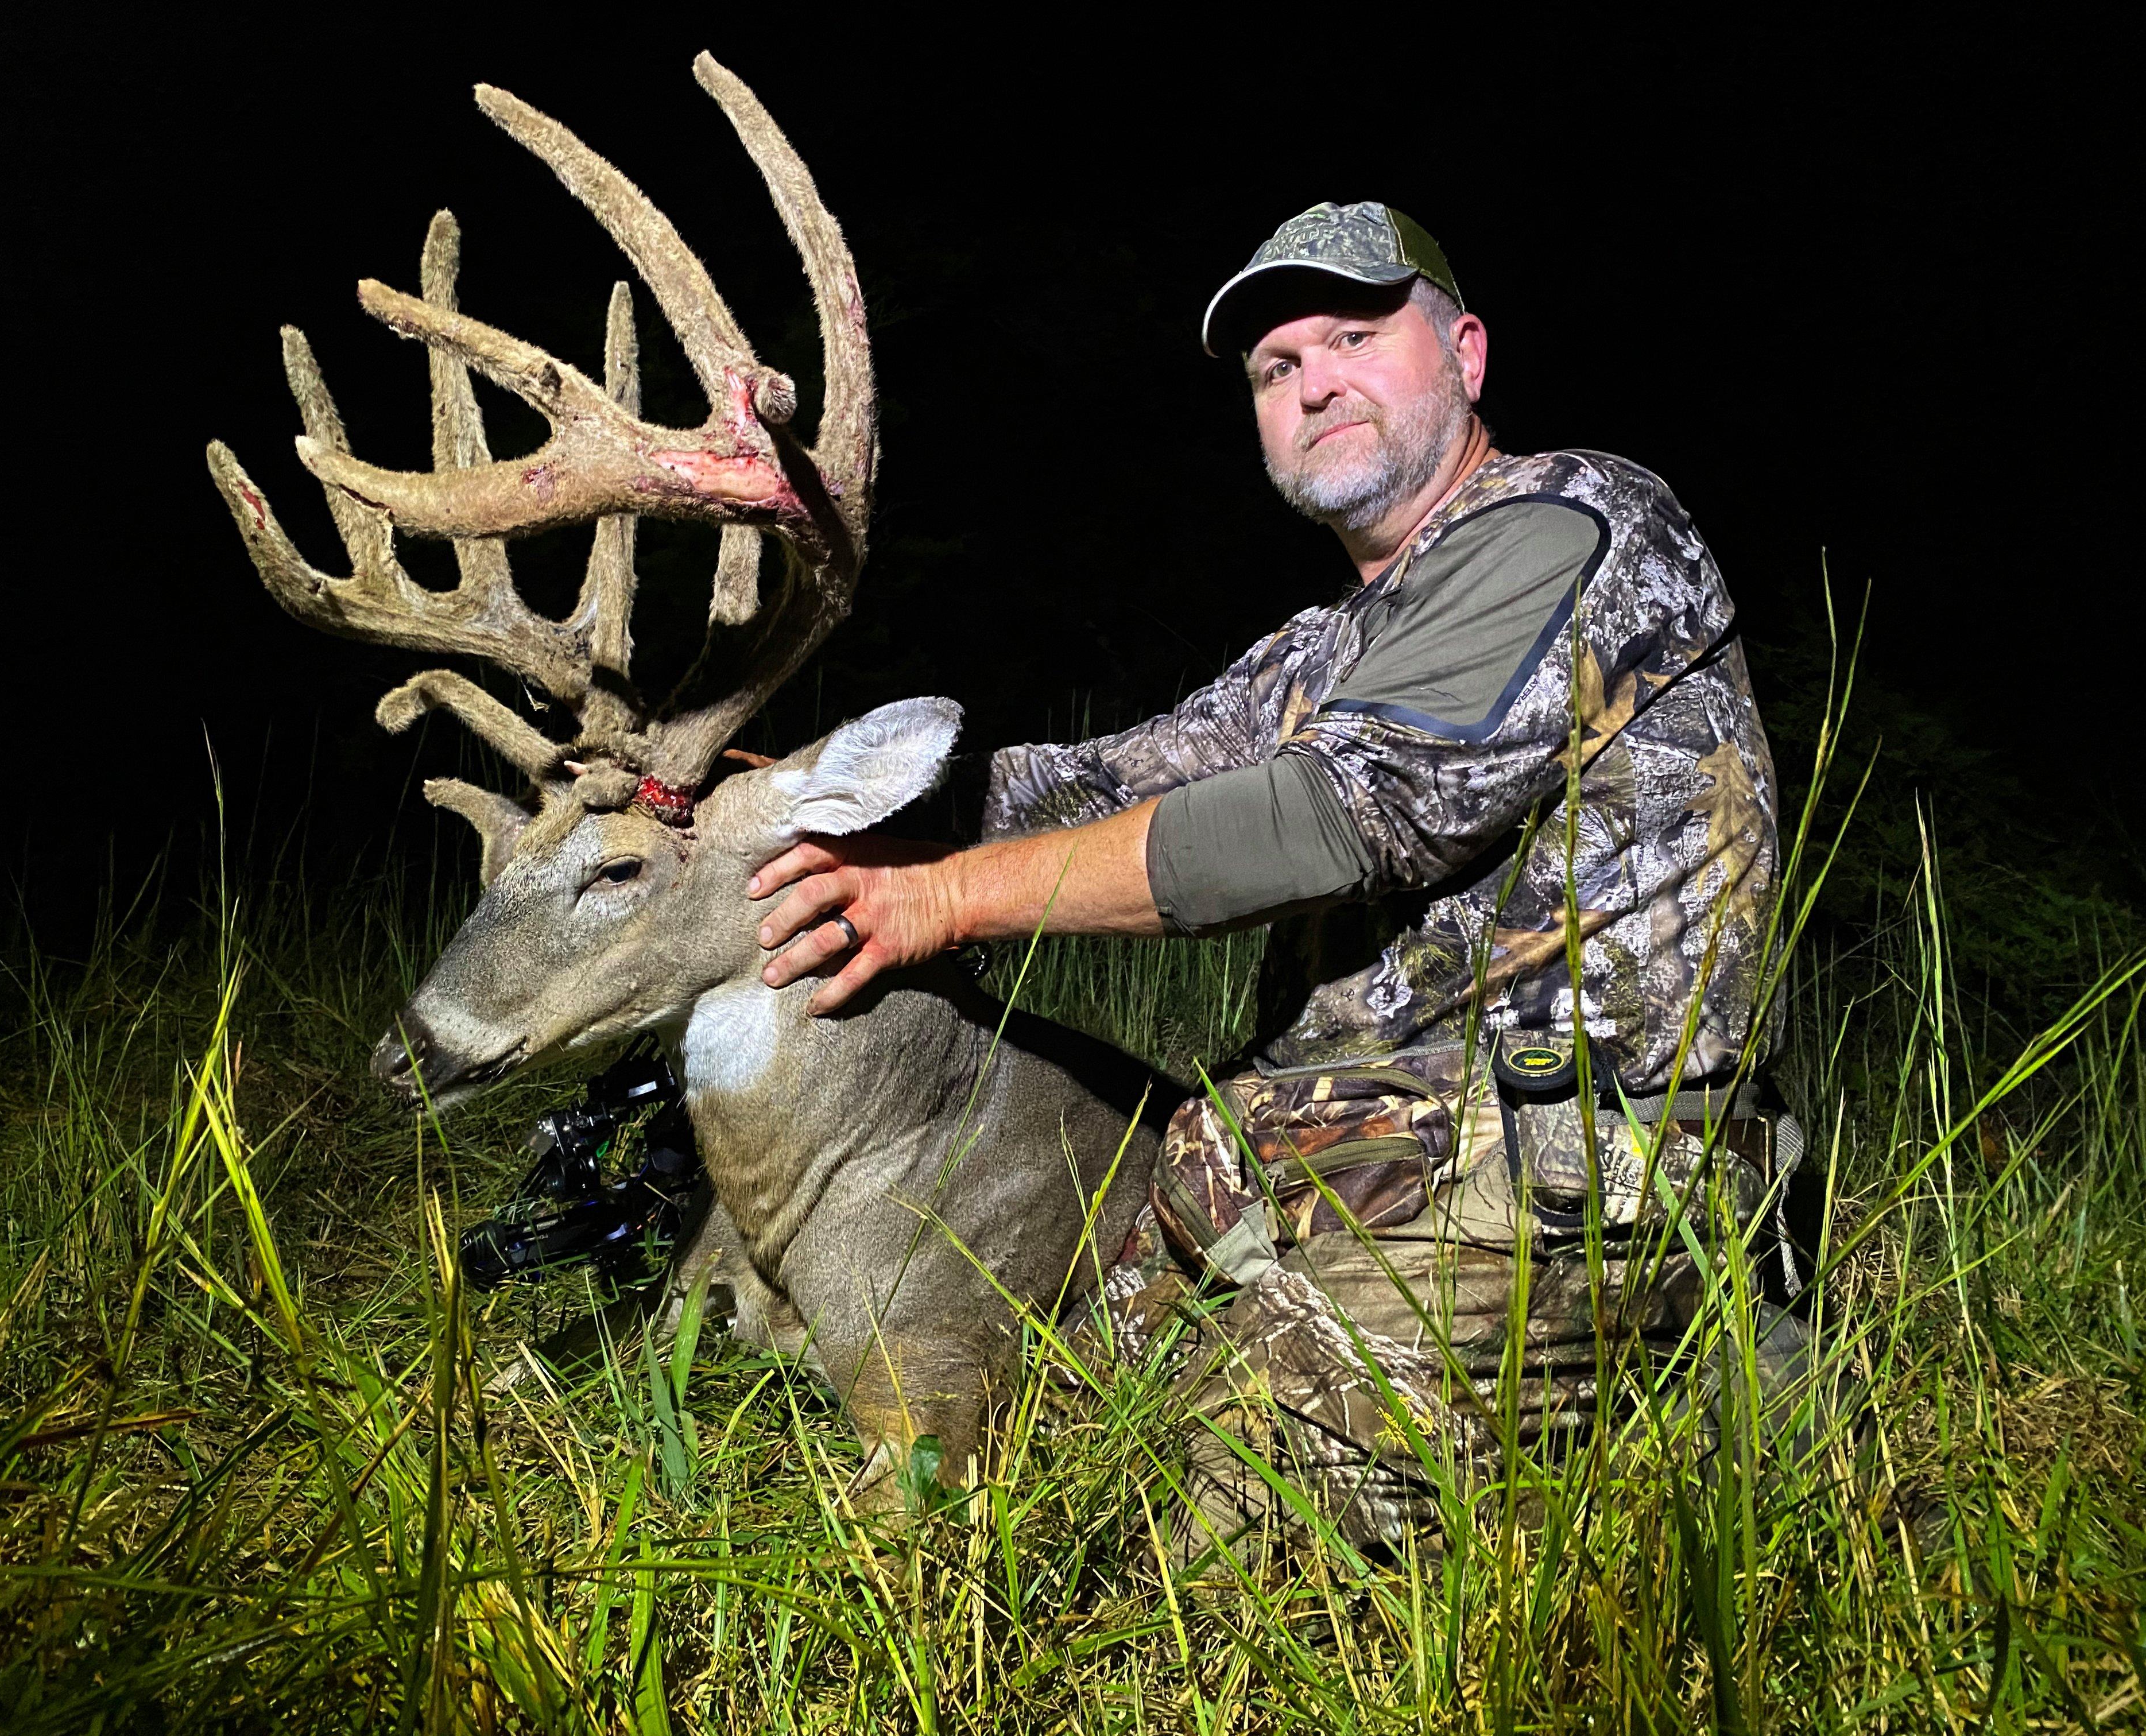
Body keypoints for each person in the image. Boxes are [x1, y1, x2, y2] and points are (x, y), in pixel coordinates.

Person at [749, 202, 1792, 1552]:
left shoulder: (1577, 524)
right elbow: (1100, 780)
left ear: (1466, 353)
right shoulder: (1326, 643)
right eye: (1275, 369)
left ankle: (1730, 1376)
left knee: (1183, 1544)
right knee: (1027, 1419)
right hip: (1333, 1166)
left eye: (1354, 337)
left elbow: (1336, 817)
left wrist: (937, 899)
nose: (1313, 384)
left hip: (1566, 1191)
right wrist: (806, 798)